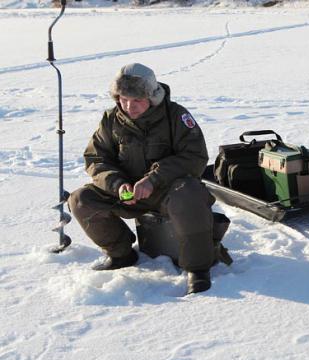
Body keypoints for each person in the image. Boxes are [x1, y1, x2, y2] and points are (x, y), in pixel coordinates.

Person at [69, 63, 215, 295]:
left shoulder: (176, 116)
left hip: (166, 191)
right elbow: (96, 158)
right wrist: (117, 185)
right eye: (123, 99)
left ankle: (198, 268)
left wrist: (153, 179)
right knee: (81, 199)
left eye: (136, 100)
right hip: (126, 193)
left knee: (189, 193)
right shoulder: (111, 119)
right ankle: (121, 254)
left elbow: (195, 157)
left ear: (152, 96)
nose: (129, 106)